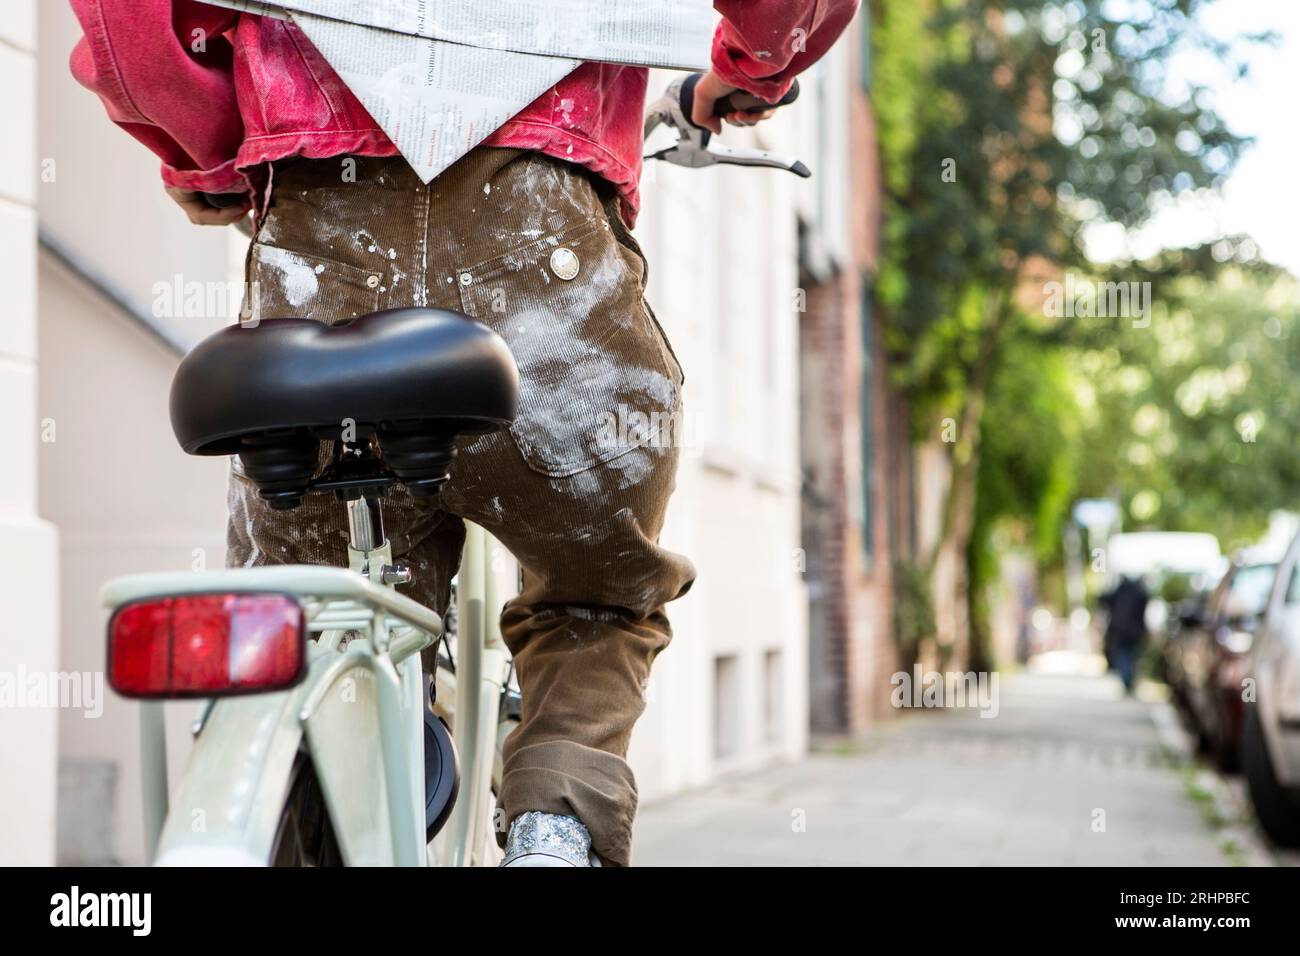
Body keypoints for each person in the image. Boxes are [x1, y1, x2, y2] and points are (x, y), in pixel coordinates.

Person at [70, 0, 858, 867]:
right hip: (544, 267)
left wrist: (215, 143)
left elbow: (128, 23)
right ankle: (553, 827)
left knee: (314, 609)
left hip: (320, 258)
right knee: (593, 593)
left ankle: (296, 798)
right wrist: (747, 69)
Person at [1100, 575, 1149, 695]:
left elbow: (1104, 600)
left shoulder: (1121, 590)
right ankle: (1128, 681)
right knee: (1130, 656)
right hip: (1134, 631)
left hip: (1121, 630)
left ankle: (1127, 681)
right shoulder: (1140, 593)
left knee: (1124, 655)